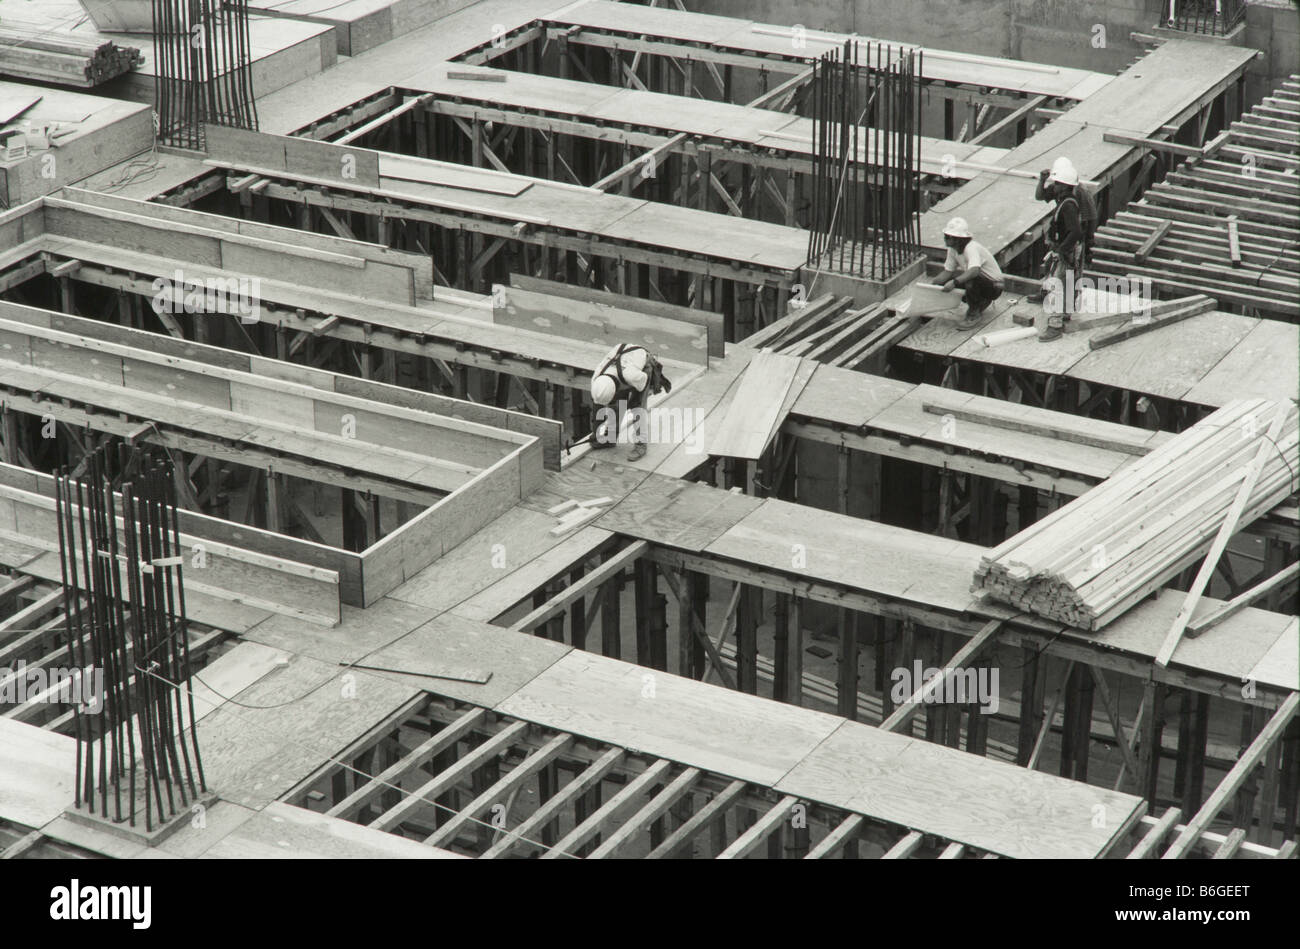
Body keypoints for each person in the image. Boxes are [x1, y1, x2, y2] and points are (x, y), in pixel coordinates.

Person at [1035, 157, 1089, 342]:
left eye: (1056, 183)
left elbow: (1076, 231)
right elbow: (1041, 196)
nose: (1053, 186)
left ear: (1064, 186)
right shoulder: (1064, 199)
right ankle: (1065, 312)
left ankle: (1055, 325)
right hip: (1067, 247)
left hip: (1068, 249)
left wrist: (1061, 251)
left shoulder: (1068, 206)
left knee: (1057, 284)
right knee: (1065, 282)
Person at [588, 343, 671, 461]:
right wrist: (596, 434)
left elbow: (642, 382)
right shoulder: (597, 379)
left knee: (637, 407)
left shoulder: (632, 376)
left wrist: (632, 401)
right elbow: (597, 407)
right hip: (623, 363)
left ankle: (641, 445)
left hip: (642, 370)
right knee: (616, 405)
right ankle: (609, 439)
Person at [935, 216, 1004, 330]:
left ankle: (974, 314)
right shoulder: (953, 249)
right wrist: (931, 286)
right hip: (983, 282)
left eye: (948, 237)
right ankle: (980, 301)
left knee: (970, 280)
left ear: (957, 239)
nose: (945, 238)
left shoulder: (971, 248)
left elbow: (974, 271)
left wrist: (954, 282)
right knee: (952, 281)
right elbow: (947, 272)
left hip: (995, 286)